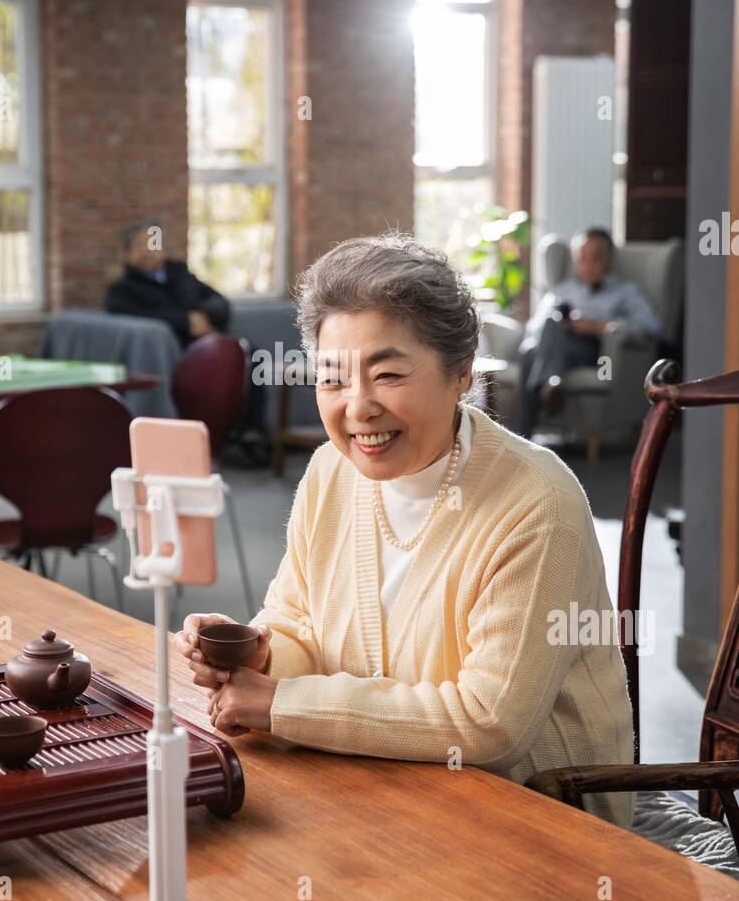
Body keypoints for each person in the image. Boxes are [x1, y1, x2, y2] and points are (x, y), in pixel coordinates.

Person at [173, 230, 636, 830]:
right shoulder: (330, 472)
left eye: (387, 375)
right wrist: (262, 657)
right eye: (334, 378)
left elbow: (490, 724)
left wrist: (283, 703)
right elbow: (300, 624)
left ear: (462, 373)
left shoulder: (536, 504)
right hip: (381, 787)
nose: (357, 407)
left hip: (540, 815)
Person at [513, 227, 661, 439]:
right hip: (558, 345)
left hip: (597, 355)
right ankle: (551, 383)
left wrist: (599, 327)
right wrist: (563, 325)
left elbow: (652, 327)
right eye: (582, 259)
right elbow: (533, 327)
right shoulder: (562, 291)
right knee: (540, 334)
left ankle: (520, 437)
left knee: (529, 354)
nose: (588, 265)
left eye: (595, 258)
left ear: (609, 260)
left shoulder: (626, 292)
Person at [104, 218, 231, 348]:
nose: (147, 251)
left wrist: (203, 316)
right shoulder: (122, 290)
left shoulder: (181, 274)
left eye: (153, 243)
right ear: (127, 254)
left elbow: (219, 301)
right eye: (138, 245)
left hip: (212, 342)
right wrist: (185, 321)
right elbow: (134, 318)